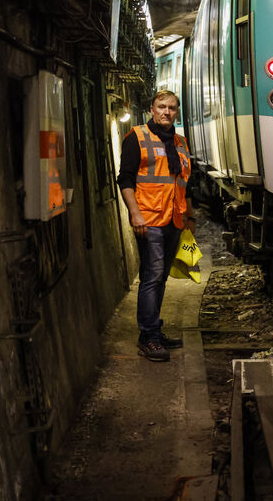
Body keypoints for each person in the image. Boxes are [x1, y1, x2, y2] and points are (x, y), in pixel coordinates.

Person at [116, 90, 197, 362]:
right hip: (148, 219)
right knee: (152, 275)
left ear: (177, 112)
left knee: (161, 276)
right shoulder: (136, 137)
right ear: (152, 109)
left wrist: (190, 217)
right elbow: (125, 180)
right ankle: (148, 338)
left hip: (174, 219)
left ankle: (153, 330)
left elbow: (185, 184)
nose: (167, 112)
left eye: (172, 108)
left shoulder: (181, 142)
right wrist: (135, 214)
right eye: (162, 107)